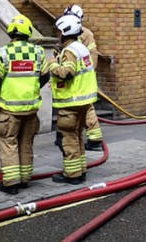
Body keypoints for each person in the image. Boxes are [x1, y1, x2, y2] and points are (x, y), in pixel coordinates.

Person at [0, 14, 48, 194]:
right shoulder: (38, 52)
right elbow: (45, 76)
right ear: (28, 32)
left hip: (10, 110)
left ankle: (11, 183)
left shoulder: (4, 52)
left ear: (11, 32)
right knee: (26, 142)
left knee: (8, 143)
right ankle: (25, 178)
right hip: (30, 108)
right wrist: (32, 88)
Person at [46, 12, 99, 185]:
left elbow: (67, 73)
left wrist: (53, 63)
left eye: (58, 31)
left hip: (70, 102)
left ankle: (72, 175)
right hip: (83, 102)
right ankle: (81, 170)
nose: (57, 35)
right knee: (77, 136)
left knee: (68, 139)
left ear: (64, 32)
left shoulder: (69, 51)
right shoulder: (81, 48)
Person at [62, 4, 104, 150]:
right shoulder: (79, 32)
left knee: (87, 108)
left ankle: (94, 139)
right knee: (85, 107)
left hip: (80, 78)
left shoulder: (85, 34)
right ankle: (90, 137)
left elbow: (93, 55)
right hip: (81, 76)